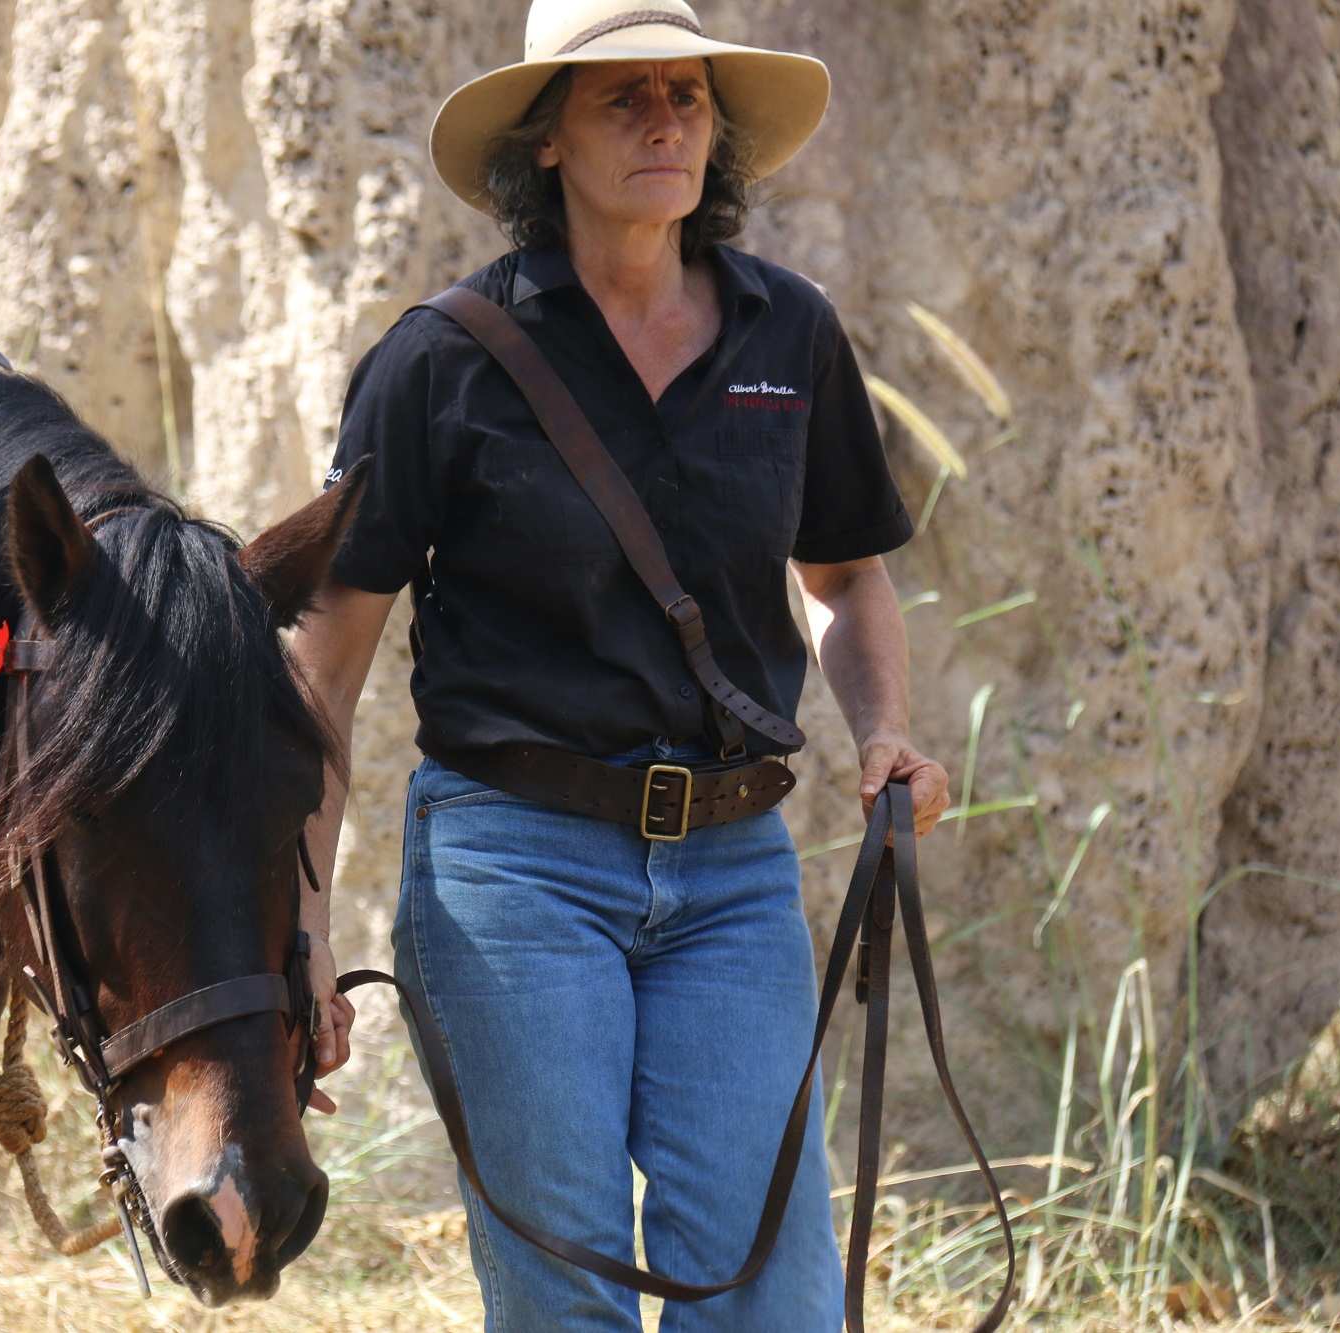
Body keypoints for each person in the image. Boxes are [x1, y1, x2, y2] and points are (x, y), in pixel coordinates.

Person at [291, 1, 952, 1327]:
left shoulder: (791, 337)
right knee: (564, 1292)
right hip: (513, 871)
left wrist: (884, 722)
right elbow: (325, 669)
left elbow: (842, 576)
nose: (664, 120)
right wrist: (298, 926)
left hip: (735, 874)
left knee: (771, 1297)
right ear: (543, 141)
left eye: (687, 95)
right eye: (621, 97)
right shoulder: (437, 365)